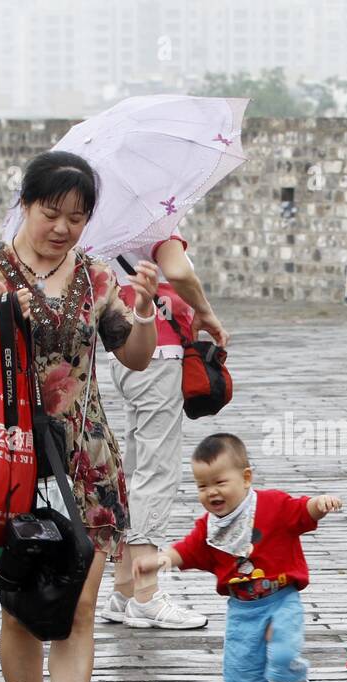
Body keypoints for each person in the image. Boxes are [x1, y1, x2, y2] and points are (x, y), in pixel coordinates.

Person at [0, 151, 160, 682]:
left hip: (89, 465)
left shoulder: (97, 278)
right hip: (13, 468)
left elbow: (134, 354)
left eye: (77, 216)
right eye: (51, 212)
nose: (63, 227)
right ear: (27, 204)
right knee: (20, 609)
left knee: (80, 609)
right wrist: (1, 332)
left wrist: (147, 311)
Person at [134, 433, 341, 682]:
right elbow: (188, 549)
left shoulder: (271, 504)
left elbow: (301, 511)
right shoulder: (209, 528)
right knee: (239, 670)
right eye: (202, 486)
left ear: (246, 478)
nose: (211, 492)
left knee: (284, 652)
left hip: (280, 599)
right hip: (242, 608)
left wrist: (319, 504)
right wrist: (161, 559)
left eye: (219, 482)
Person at [99, 235, 229, 630]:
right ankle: (147, 593)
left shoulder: (114, 226)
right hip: (159, 353)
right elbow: (178, 270)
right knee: (156, 472)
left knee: (136, 468)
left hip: (125, 353)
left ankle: (123, 590)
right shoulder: (158, 220)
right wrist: (205, 310)